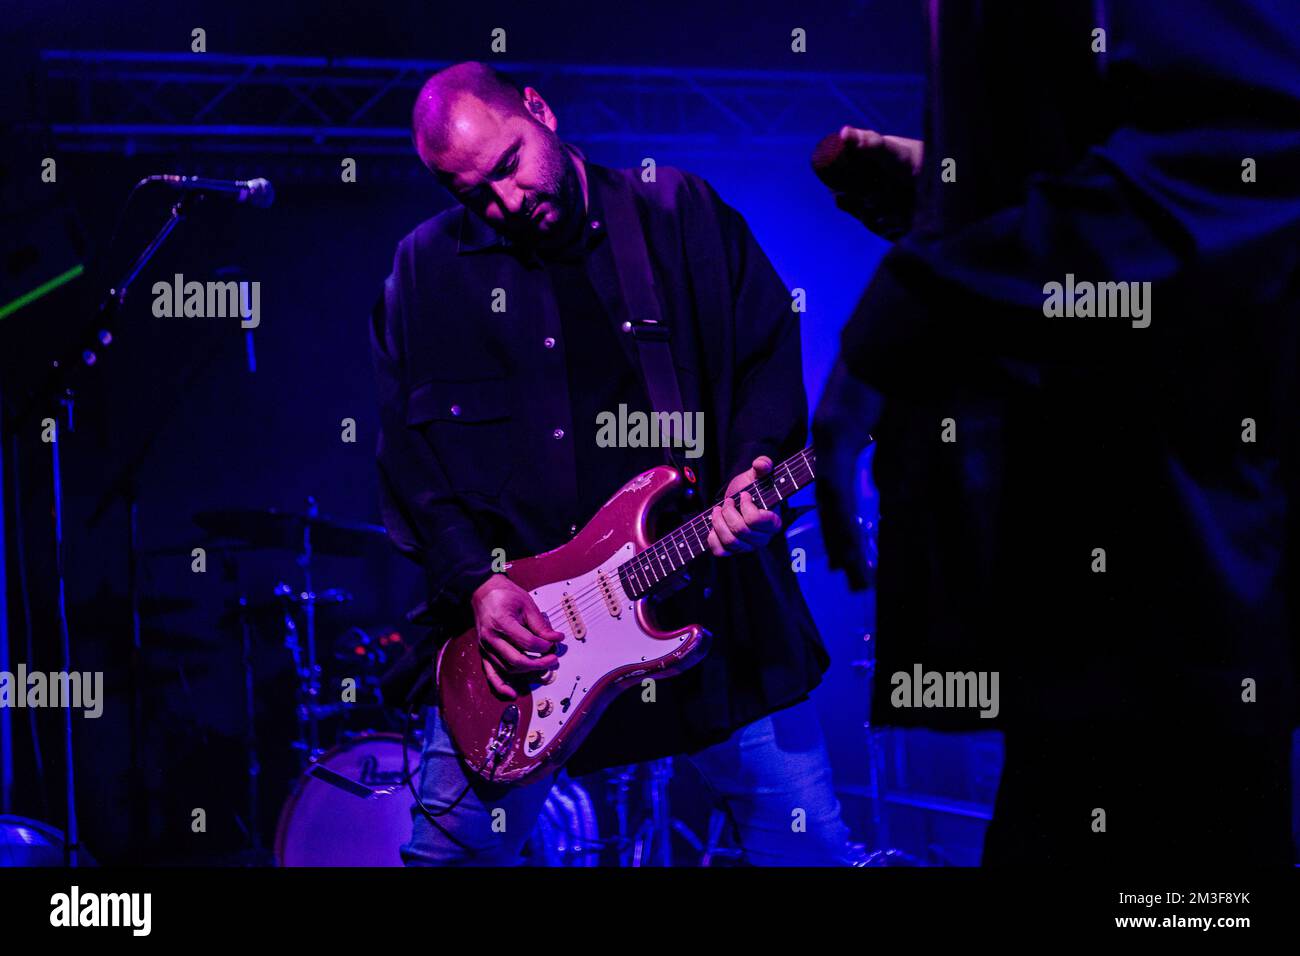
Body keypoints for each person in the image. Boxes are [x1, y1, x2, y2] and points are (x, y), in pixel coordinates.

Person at [814, 0, 1300, 865]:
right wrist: (959, 199)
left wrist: (916, 303)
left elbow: (1245, 157)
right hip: (1092, 598)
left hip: (1169, 578)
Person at [371, 61, 852, 865]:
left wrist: (750, 467)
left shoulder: (679, 215)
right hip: (523, 658)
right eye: (474, 195)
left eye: (510, 164)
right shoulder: (424, 276)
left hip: (717, 622)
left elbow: (767, 351)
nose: (509, 203)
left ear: (539, 110)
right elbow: (411, 464)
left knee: (811, 854)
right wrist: (479, 586)